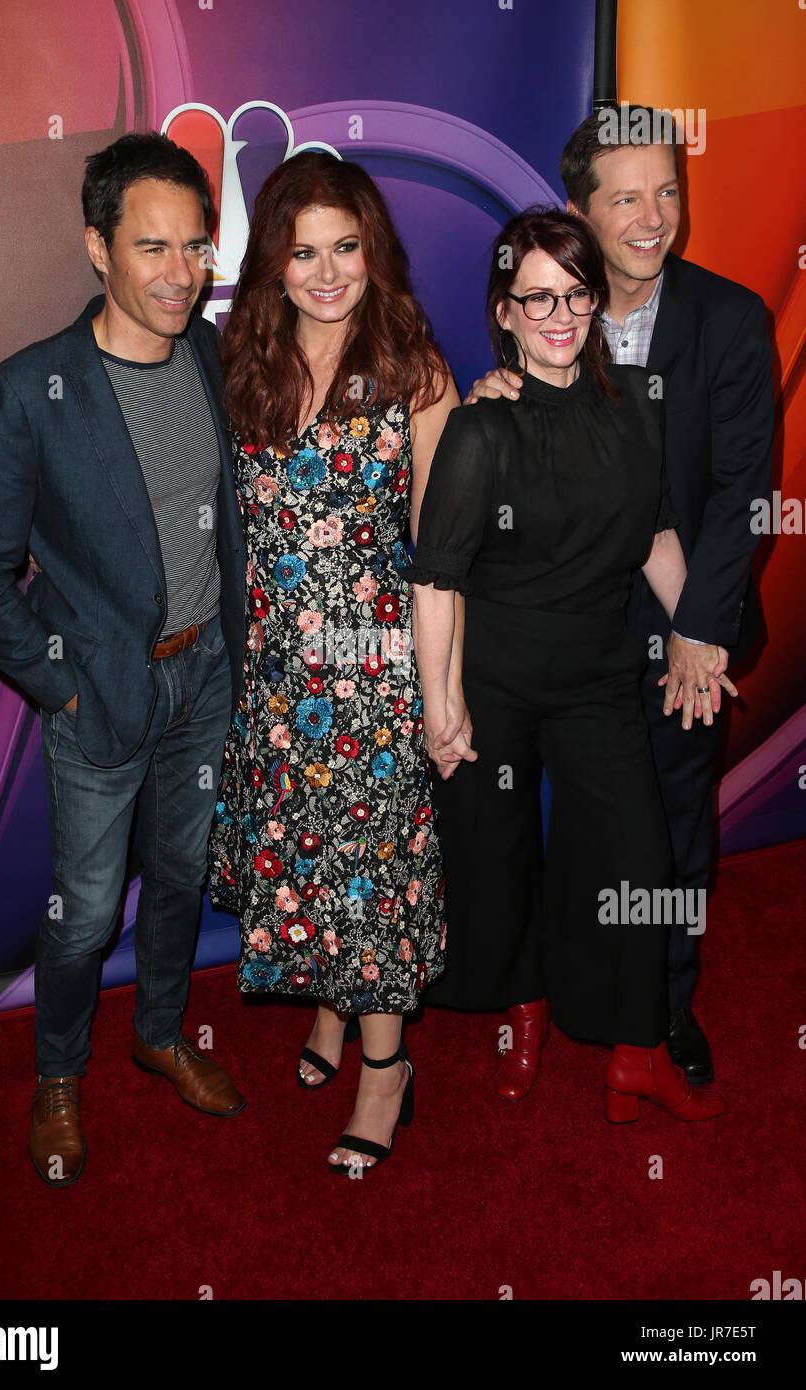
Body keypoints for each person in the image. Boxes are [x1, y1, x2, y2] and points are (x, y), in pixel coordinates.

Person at [0, 132, 247, 1188]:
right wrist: (59, 683)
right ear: (95, 246)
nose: (179, 273)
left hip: (204, 675)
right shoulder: (27, 393)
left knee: (177, 876)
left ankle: (159, 1032)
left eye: (195, 247)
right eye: (152, 246)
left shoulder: (207, 351)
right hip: (100, 692)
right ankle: (59, 1078)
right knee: (82, 909)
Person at [468, 107, 775, 1086]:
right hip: (552, 631)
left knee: (676, 827)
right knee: (519, 824)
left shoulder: (726, 321)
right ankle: (527, 996)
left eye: (667, 191)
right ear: (577, 208)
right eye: (626, 196)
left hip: (684, 625)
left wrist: (698, 634)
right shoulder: (549, 307)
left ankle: (658, 1009)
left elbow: (740, 495)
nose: (652, 218)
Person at [406, 207, 726, 1124]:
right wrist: (441, 706)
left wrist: (700, 631)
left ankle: (634, 1050)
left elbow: (658, 533)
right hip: (495, 682)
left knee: (636, 861)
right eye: (535, 297)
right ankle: (524, 1012)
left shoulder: (634, 406)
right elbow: (437, 580)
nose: (558, 314)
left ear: (595, 300)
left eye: (575, 294)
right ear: (502, 311)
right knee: (496, 863)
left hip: (597, 680)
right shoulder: (481, 429)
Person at [208, 152, 460, 1172]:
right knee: (308, 864)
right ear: (271, 261)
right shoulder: (243, 368)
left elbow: (440, 558)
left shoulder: (414, 375)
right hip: (274, 678)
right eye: (301, 250)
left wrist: (439, 697)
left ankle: (384, 1070)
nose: (324, 271)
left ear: (372, 249)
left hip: (371, 677)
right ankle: (325, 1014)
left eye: (343, 247)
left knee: (370, 880)